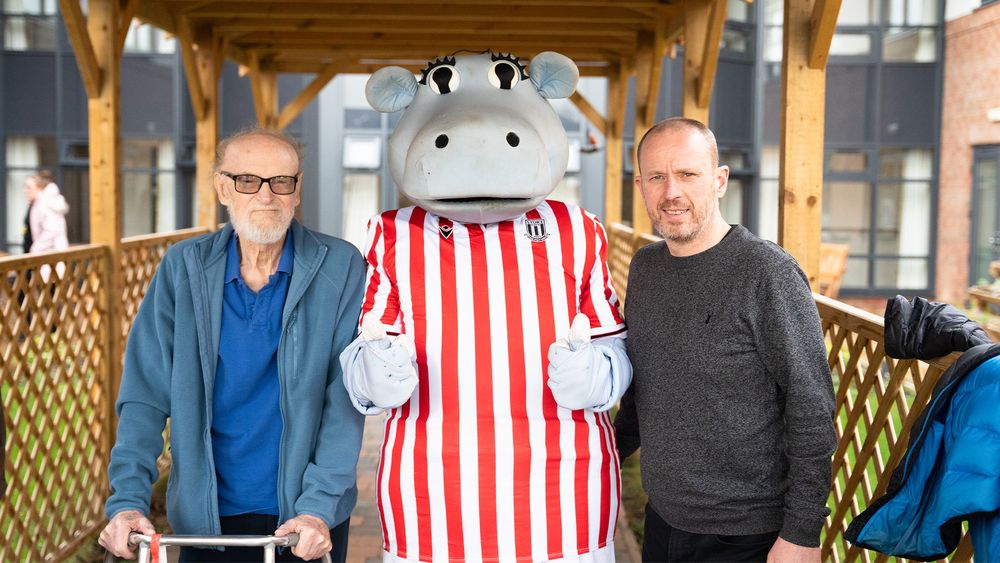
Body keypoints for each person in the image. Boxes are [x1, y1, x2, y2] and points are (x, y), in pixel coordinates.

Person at [98, 128, 366, 563]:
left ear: (297, 190)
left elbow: (344, 401)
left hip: (304, 521)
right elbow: (144, 395)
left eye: (282, 181)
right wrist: (128, 500)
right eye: (248, 181)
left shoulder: (340, 265)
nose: (267, 195)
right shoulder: (183, 267)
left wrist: (319, 507)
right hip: (205, 520)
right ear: (223, 187)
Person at [614, 117, 837, 563]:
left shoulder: (765, 273)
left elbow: (811, 407)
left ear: (719, 181)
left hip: (747, 536)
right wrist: (598, 457)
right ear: (640, 185)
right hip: (664, 518)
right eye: (657, 177)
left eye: (687, 174)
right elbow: (644, 388)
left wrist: (802, 532)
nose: (671, 192)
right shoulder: (646, 268)